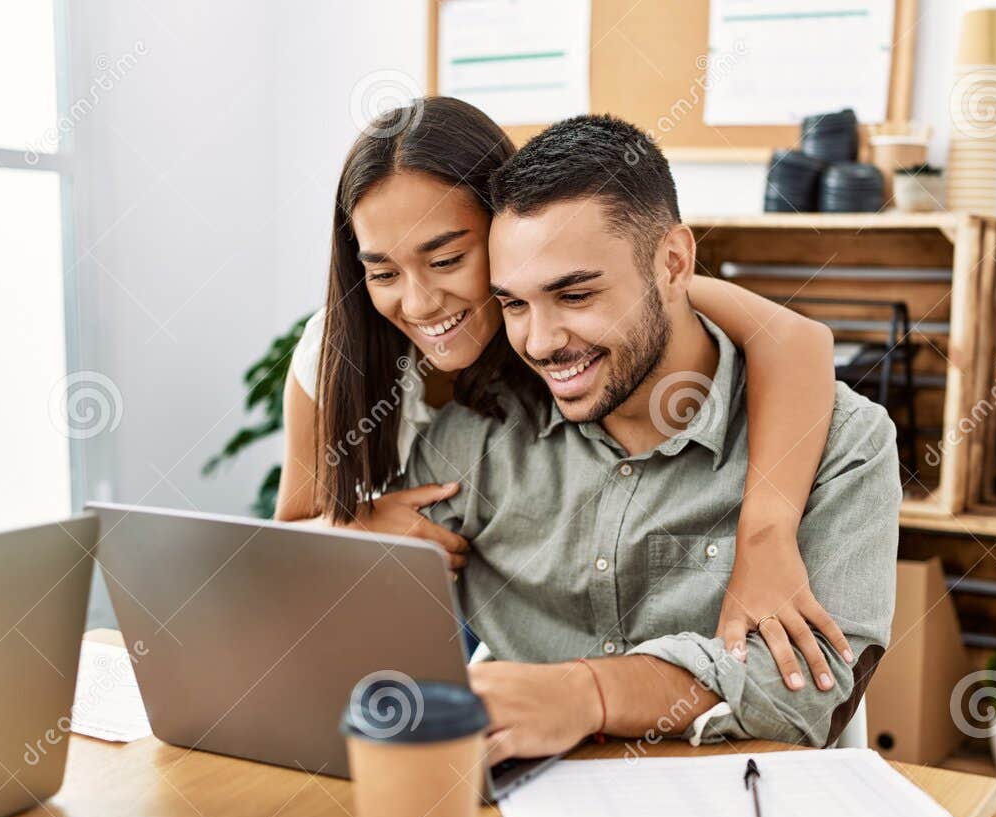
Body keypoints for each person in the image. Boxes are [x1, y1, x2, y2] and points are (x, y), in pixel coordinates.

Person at [276, 96, 853, 693]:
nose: (419, 303)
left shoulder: (579, 295)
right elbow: (290, 534)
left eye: (446, 259)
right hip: (444, 574)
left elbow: (796, 340)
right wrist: (356, 531)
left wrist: (764, 536)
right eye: (382, 273)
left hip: (529, 579)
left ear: (506, 230)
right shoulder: (339, 351)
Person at [395, 114, 902, 763]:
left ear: (673, 263)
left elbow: (803, 695)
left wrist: (586, 694)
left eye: (575, 295)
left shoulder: (843, 444)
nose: (540, 342)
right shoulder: (477, 435)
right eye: (515, 304)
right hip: (521, 806)